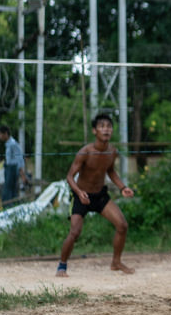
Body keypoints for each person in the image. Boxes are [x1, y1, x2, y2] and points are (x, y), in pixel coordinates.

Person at [57, 113, 134, 277]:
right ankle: (62, 266)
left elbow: (111, 171)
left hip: (100, 196)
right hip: (81, 196)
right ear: (94, 131)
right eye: (102, 126)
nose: (106, 130)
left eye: (109, 126)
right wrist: (79, 192)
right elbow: (70, 176)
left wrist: (122, 187)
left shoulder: (112, 152)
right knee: (75, 232)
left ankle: (116, 262)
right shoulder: (85, 152)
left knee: (122, 225)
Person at [0, 126, 27, 204]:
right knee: (9, 191)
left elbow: (19, 159)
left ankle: (9, 208)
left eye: (0, 134)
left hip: (12, 170)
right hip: (8, 169)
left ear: (5, 134)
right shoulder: (8, 144)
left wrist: (22, 175)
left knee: (9, 192)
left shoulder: (13, 144)